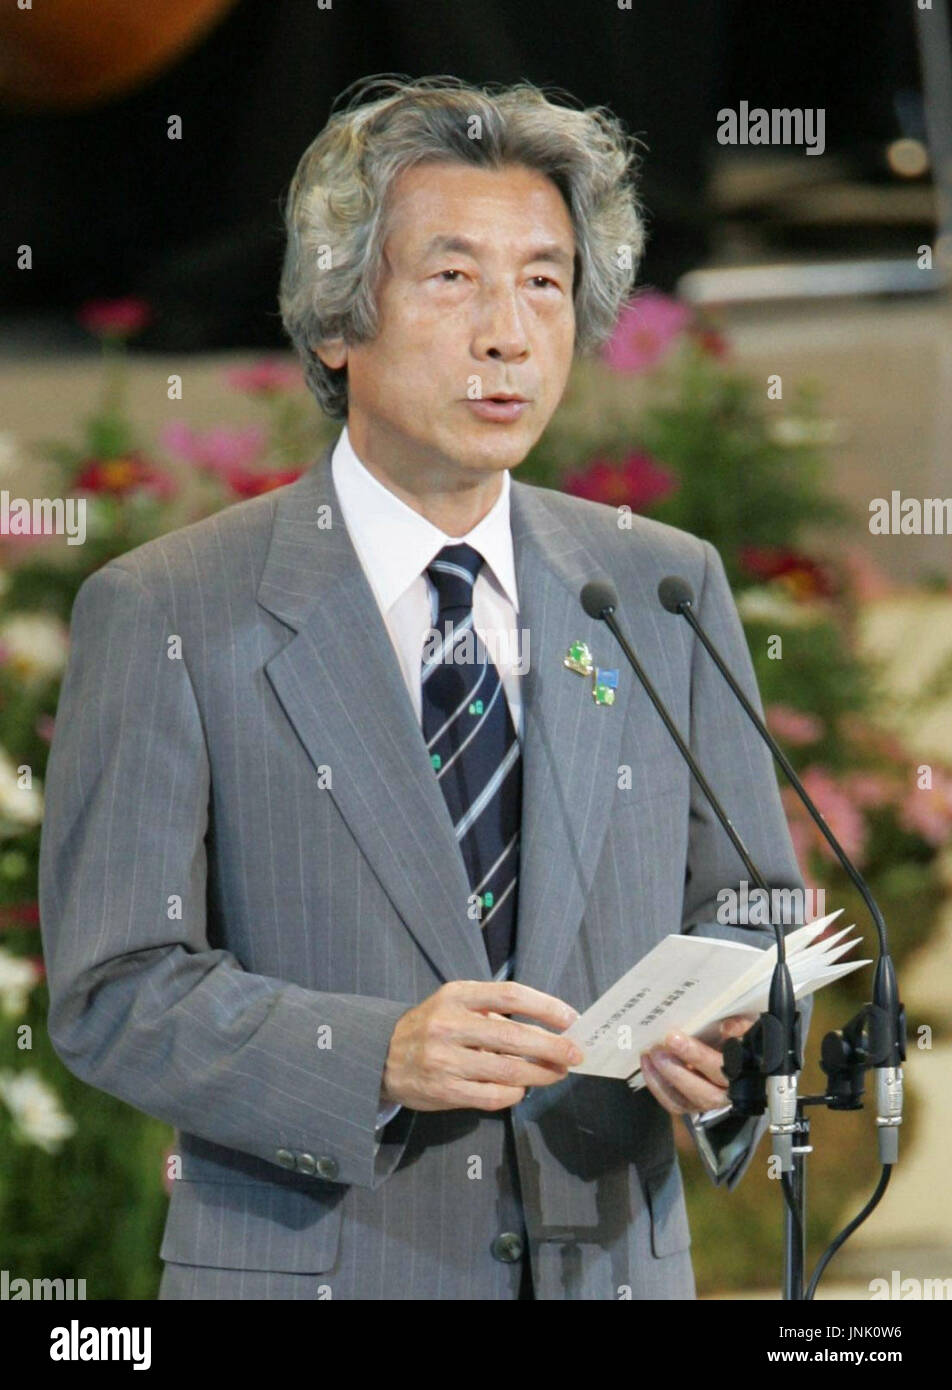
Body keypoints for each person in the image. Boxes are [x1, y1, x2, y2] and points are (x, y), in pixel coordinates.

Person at [39, 76, 808, 1301]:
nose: (508, 330)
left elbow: (757, 910)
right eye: (453, 278)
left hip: (610, 1266)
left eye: (545, 281)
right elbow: (109, 990)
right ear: (337, 319)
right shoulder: (174, 609)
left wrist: (734, 1040)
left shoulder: (660, 586)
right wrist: (371, 1055)